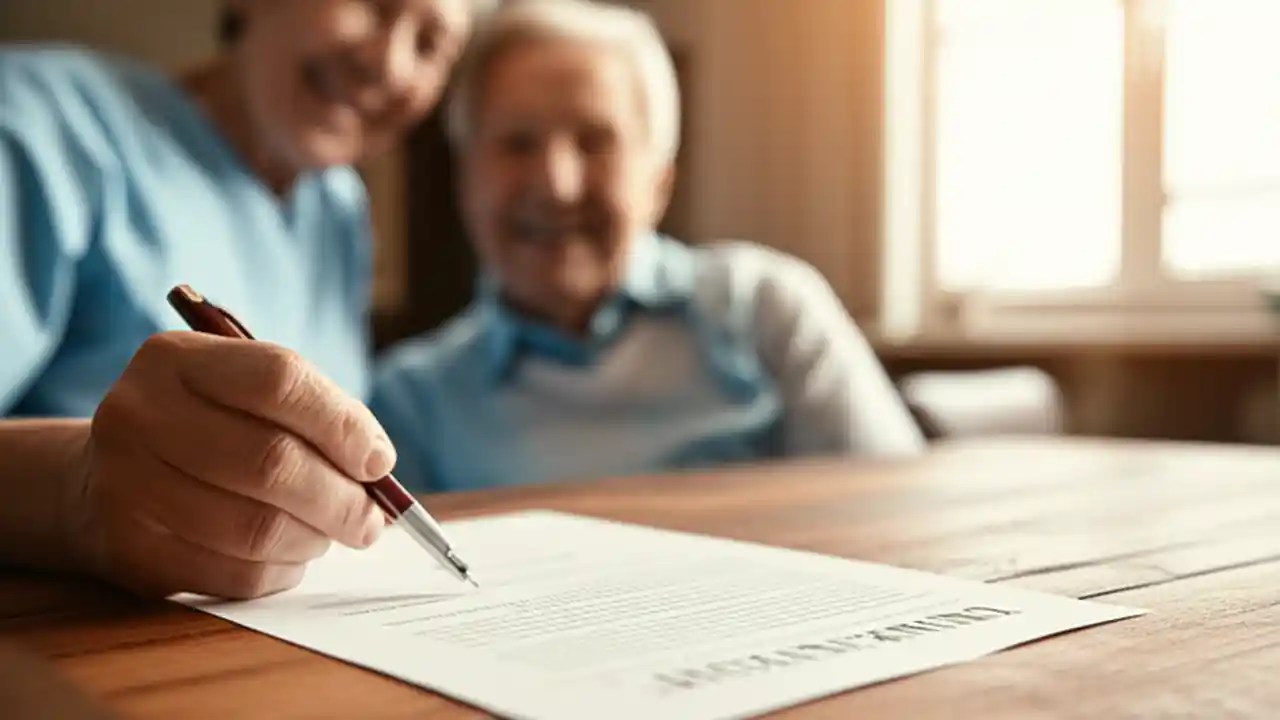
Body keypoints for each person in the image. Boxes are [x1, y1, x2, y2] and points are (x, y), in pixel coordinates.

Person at [0, 0, 487, 599]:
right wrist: (73, 492)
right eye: (371, 5)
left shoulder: (338, 208)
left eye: (431, 43)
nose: (389, 64)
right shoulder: (35, 123)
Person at [371, 0, 925, 492]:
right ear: (465, 179)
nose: (556, 184)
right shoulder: (412, 400)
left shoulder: (766, 308)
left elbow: (897, 514)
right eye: (517, 144)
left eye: (595, 141)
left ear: (659, 180)